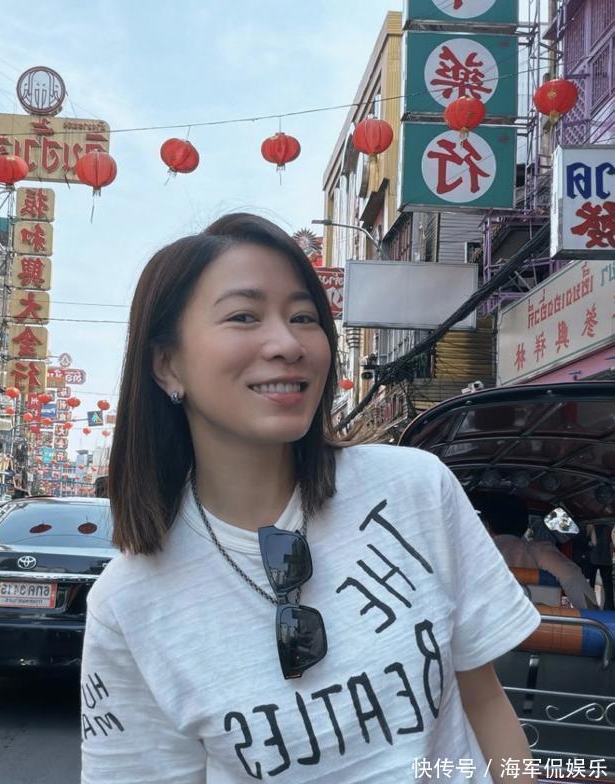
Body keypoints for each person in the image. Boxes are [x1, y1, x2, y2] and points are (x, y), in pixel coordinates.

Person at [81, 213, 541, 783]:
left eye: (303, 317)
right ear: (166, 364)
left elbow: (485, 701)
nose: (288, 344)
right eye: (244, 316)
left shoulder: (415, 489)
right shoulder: (128, 603)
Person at [472, 492, 598, 610]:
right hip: (539, 624)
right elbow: (570, 576)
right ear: (526, 525)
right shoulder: (537, 550)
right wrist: (593, 616)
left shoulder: (472, 554)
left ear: (487, 525)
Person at [587, 524, 614, 611]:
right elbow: (611, 544)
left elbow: (592, 541)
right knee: (608, 586)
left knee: (590, 584)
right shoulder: (610, 526)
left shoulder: (592, 524)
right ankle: (609, 608)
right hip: (606, 559)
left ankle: (589, 606)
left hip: (592, 558)